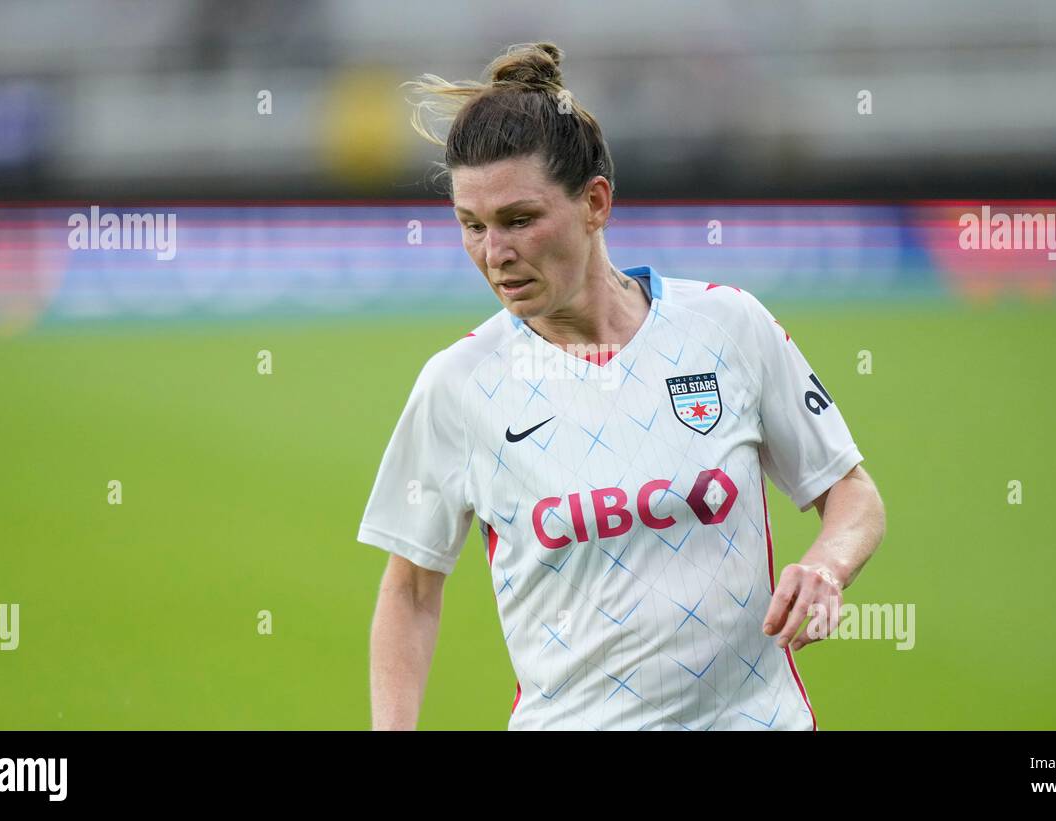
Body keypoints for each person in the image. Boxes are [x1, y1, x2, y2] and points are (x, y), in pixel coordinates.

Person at [359, 42, 886, 730]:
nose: (495, 252)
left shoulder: (727, 325)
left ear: (595, 203)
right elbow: (411, 588)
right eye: (472, 225)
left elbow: (852, 494)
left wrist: (827, 564)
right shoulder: (459, 386)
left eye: (519, 219)